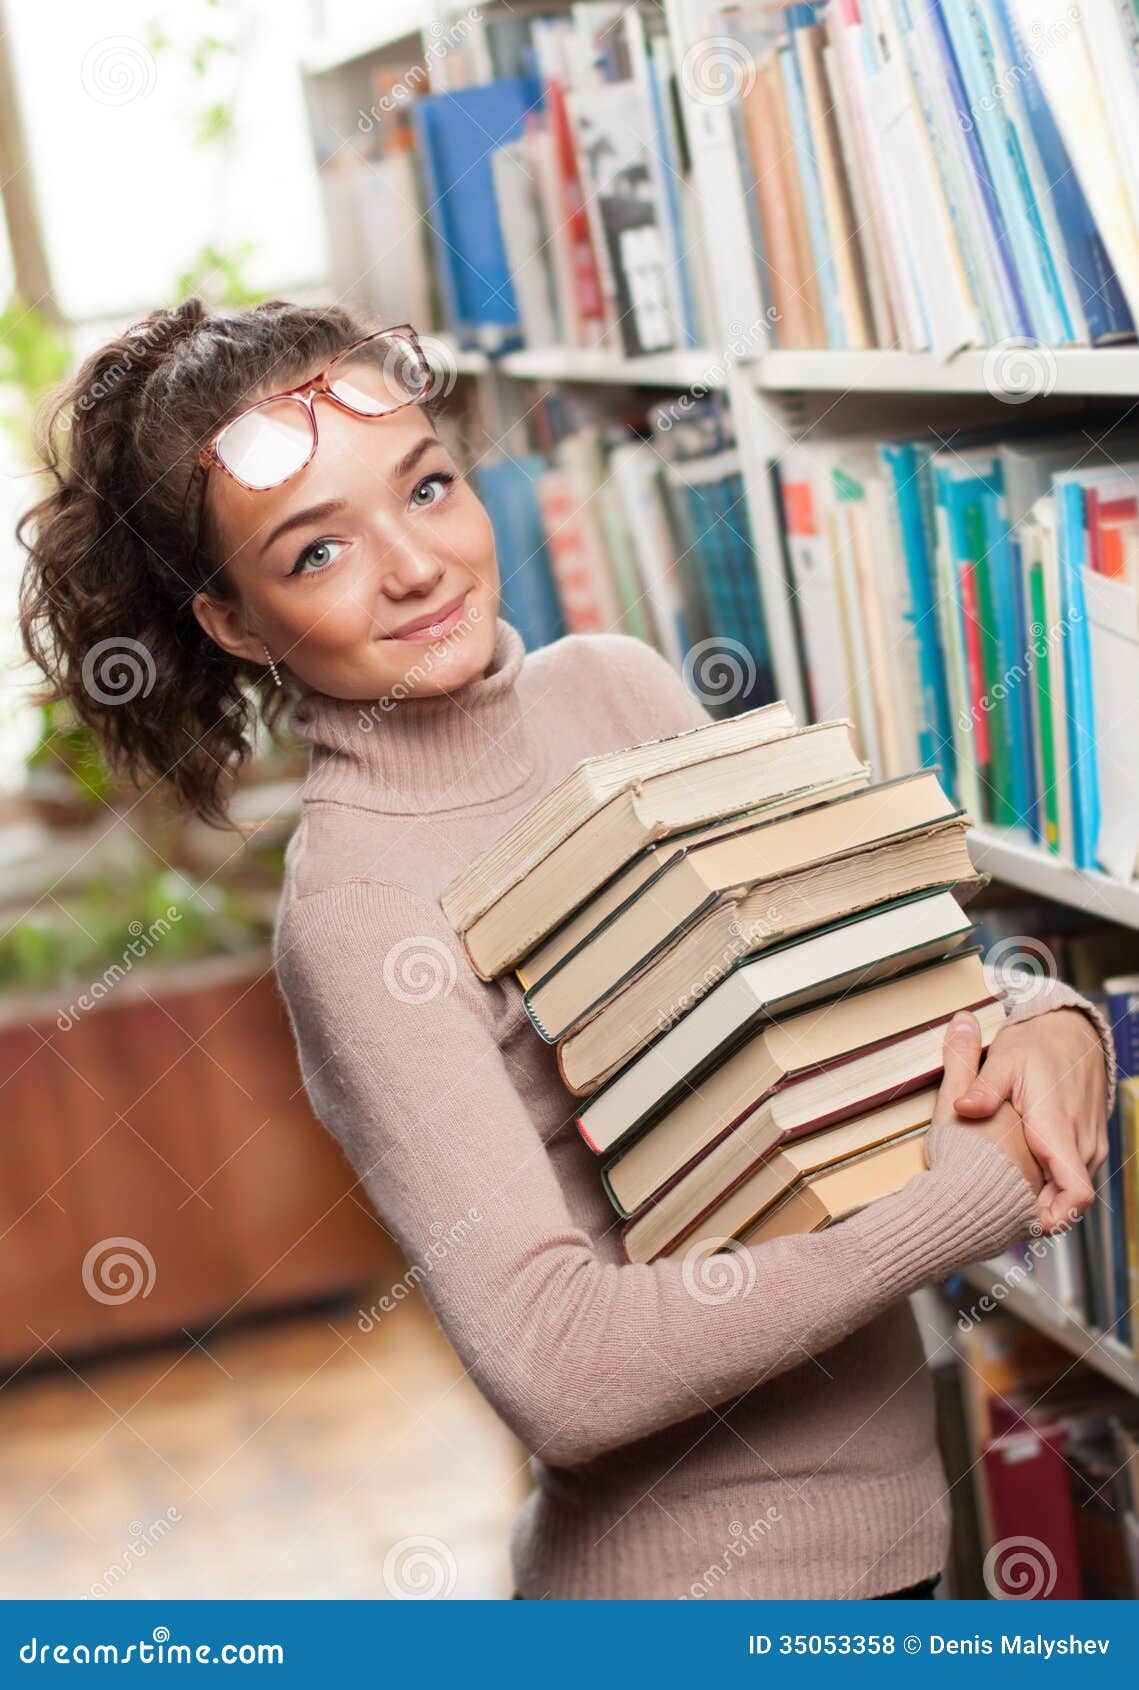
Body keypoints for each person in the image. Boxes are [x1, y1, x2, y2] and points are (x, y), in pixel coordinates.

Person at [19, 298, 1113, 1601]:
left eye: (427, 486)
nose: (416, 565)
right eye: (318, 552)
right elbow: (563, 1367)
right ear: (236, 623)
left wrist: (1049, 1022)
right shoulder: (360, 909)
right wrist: (963, 1206)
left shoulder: (617, 686)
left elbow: (851, 990)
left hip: (899, 1540)